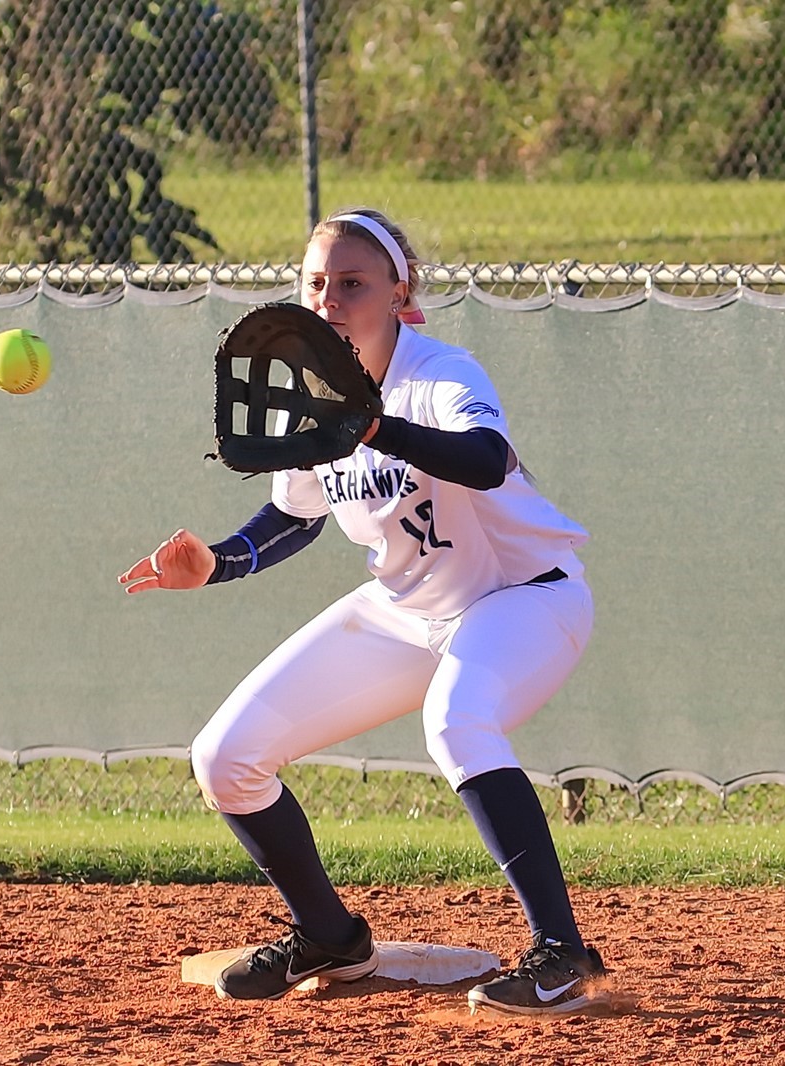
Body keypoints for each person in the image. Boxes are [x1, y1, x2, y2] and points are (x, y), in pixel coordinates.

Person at [118, 208, 604, 1015]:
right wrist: (216, 563)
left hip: (526, 596)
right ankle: (331, 938)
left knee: (457, 721)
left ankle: (561, 954)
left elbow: (484, 462)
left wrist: (376, 424)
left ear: (399, 293)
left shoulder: (443, 373)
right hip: (408, 609)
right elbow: (296, 514)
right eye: (317, 283)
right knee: (226, 757)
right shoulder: (312, 400)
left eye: (352, 283)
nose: (330, 298)